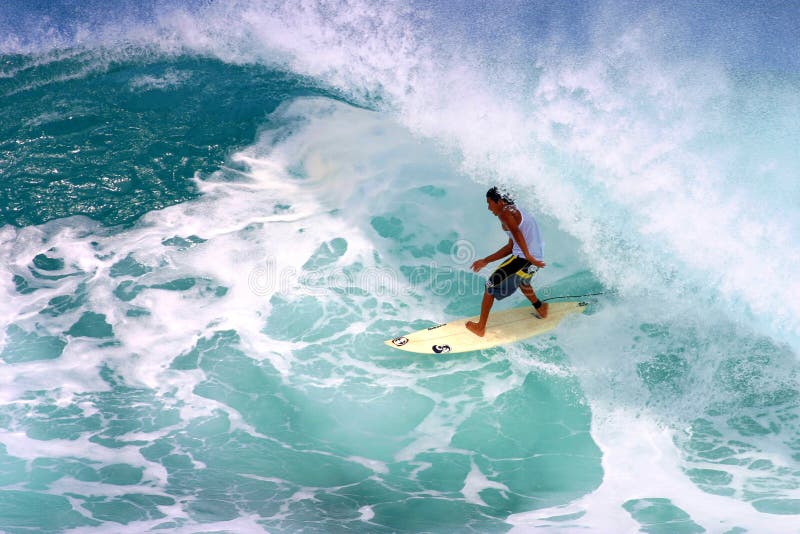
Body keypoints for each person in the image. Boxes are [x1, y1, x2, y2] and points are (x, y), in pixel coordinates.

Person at [465, 187, 548, 337]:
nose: (489, 208)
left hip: (525, 259)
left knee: (490, 285)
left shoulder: (505, 213)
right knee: (522, 281)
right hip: (536, 258)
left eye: (490, 203)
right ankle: (540, 308)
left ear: (500, 201)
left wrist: (528, 256)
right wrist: (486, 260)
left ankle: (480, 327)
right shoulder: (515, 211)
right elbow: (511, 246)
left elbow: (516, 233)